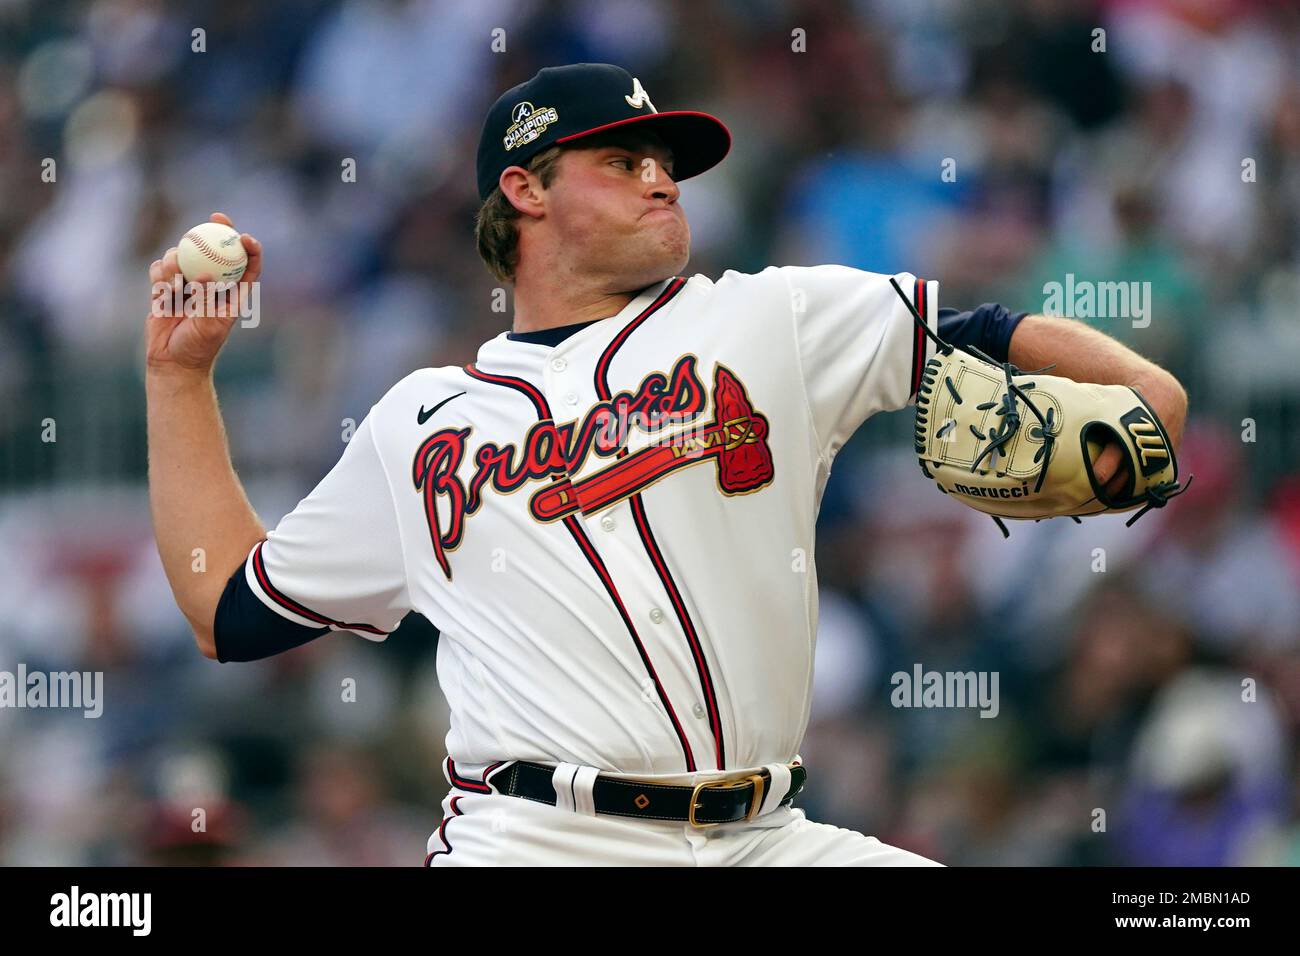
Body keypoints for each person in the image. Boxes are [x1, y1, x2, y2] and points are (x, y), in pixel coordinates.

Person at [146, 63, 1187, 866]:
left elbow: (986, 328)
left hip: (766, 833)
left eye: (666, 161)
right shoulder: (420, 420)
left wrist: (1149, 388)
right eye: (621, 158)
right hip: (540, 840)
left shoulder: (767, 316)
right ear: (524, 189)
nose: (661, 177)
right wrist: (179, 380)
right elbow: (228, 608)